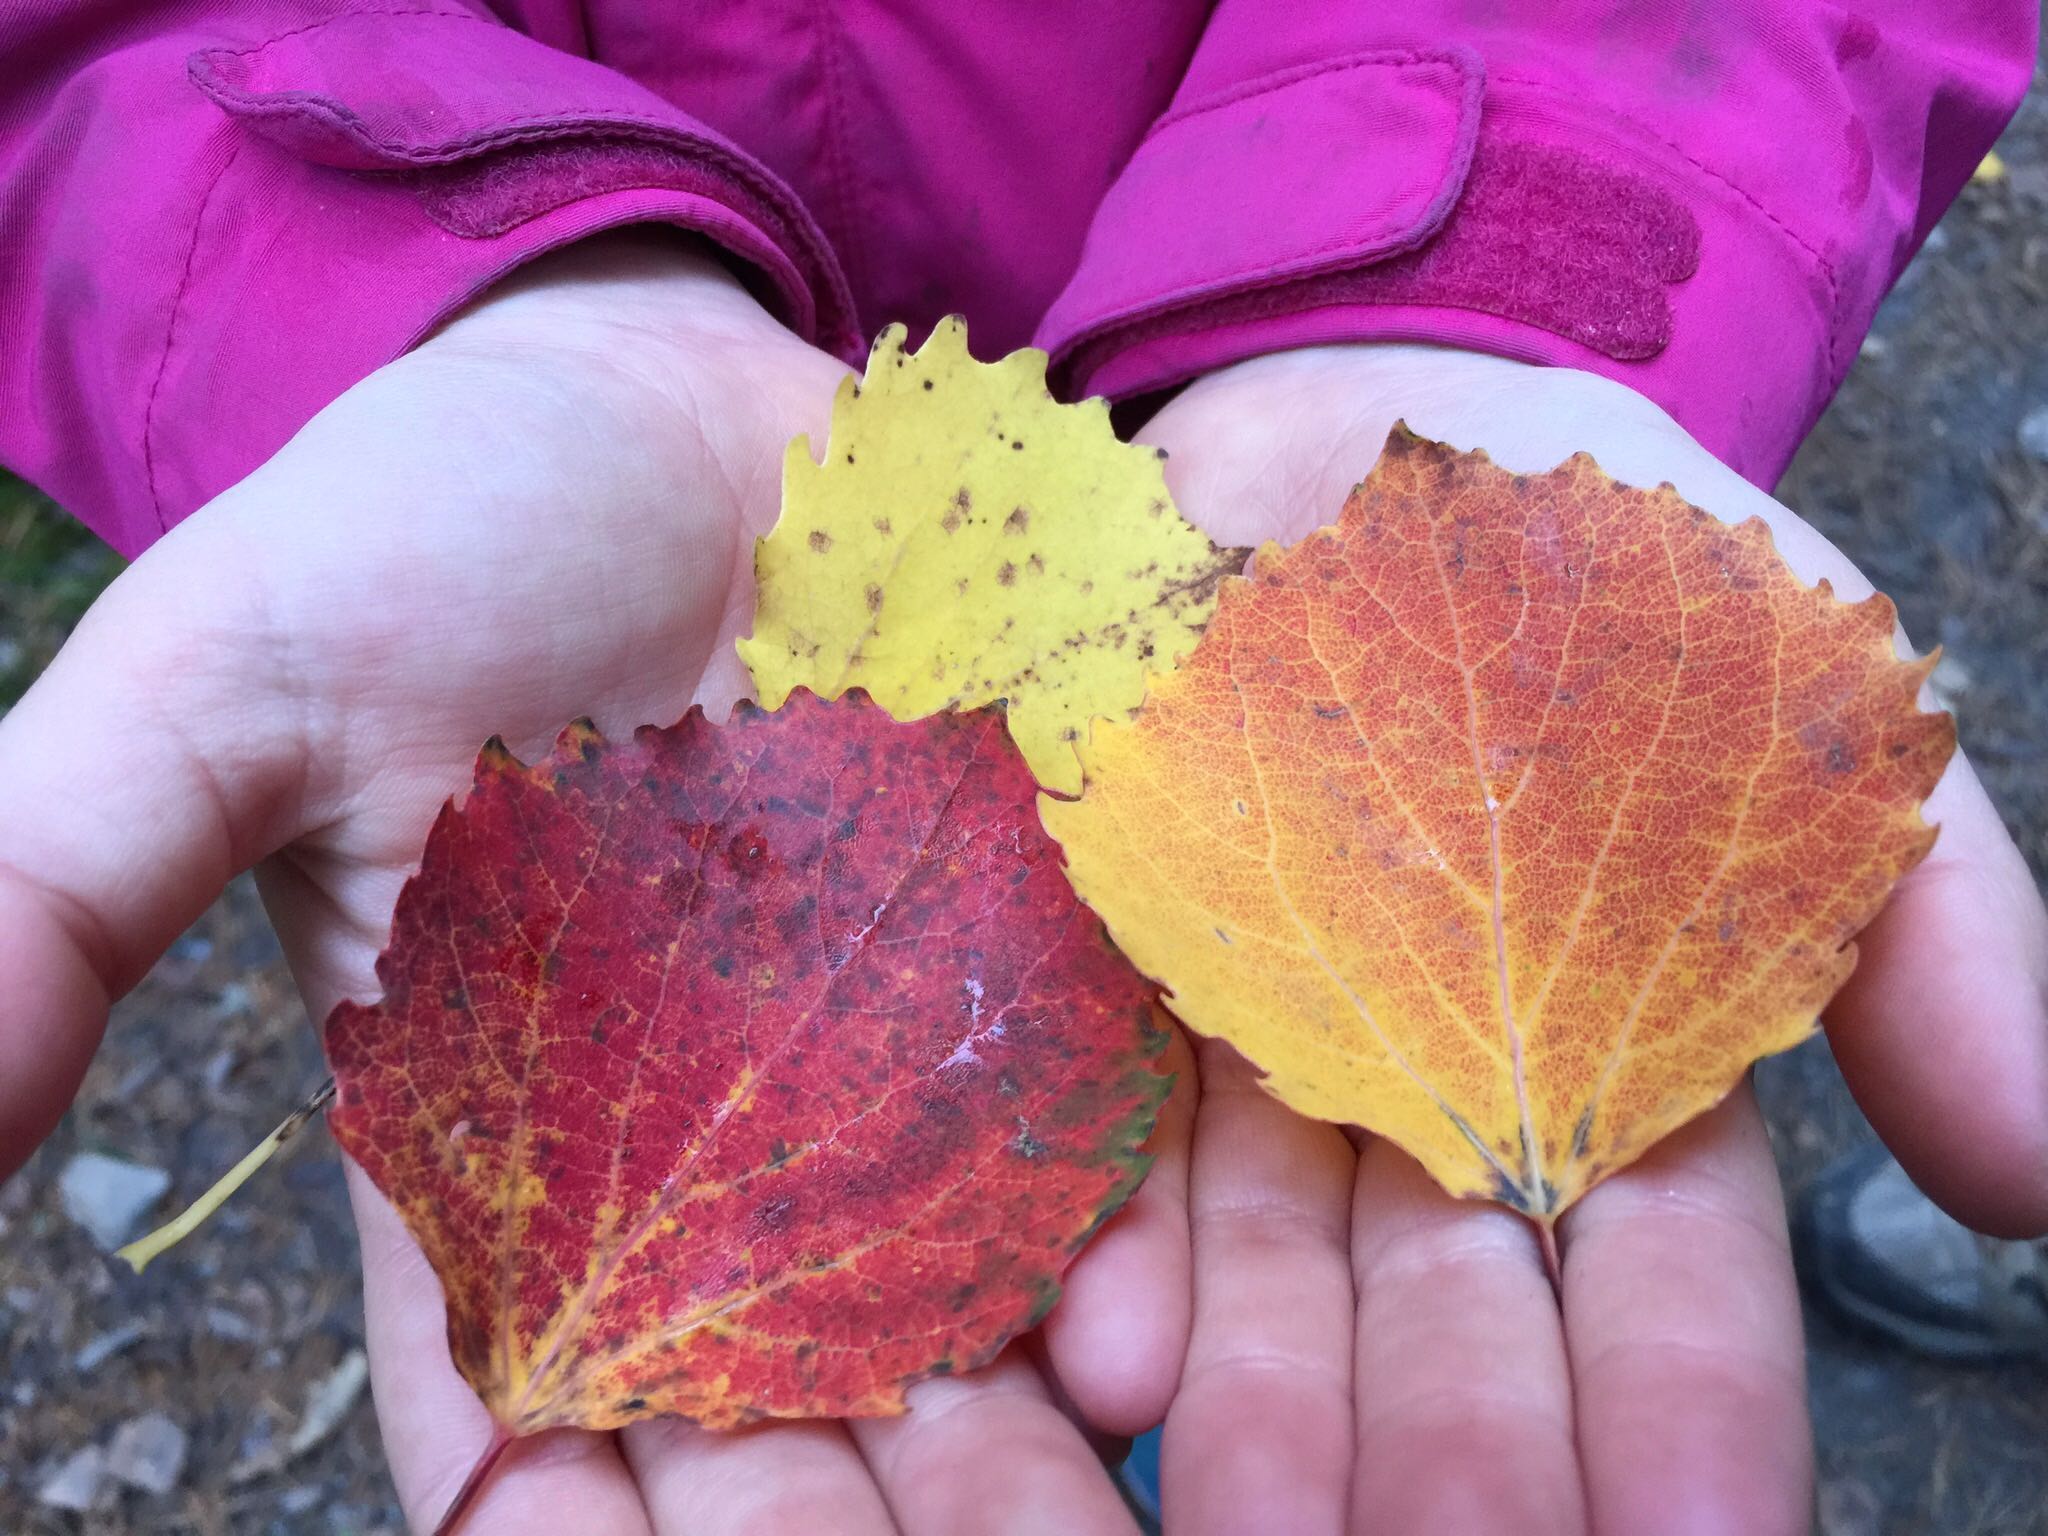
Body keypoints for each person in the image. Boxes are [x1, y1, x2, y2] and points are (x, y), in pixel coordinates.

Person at [2, 5, 2043, 1533]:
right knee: (1166, 1309)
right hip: (731, 418)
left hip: (1255, 262)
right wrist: (440, 292)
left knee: (1216, 1323)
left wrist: (1491, 249)